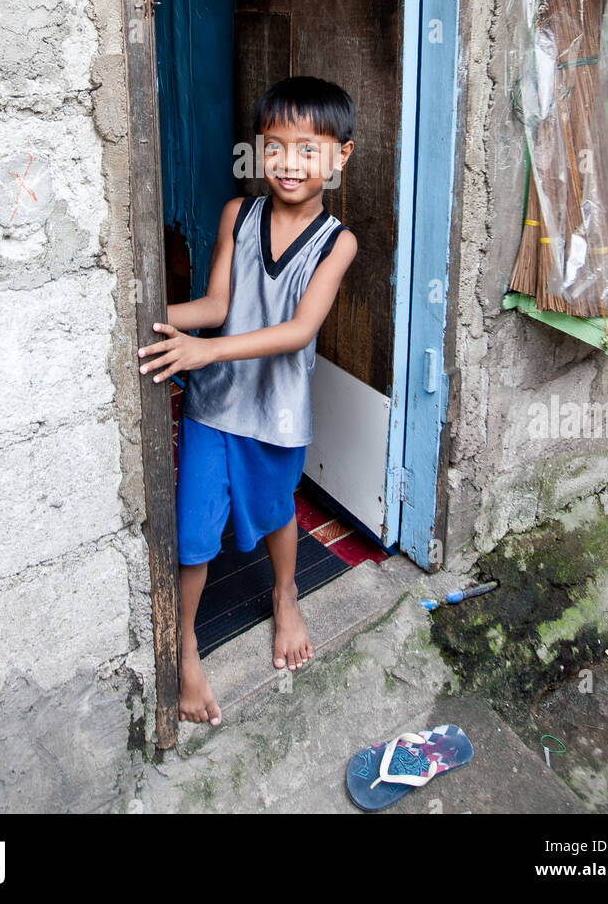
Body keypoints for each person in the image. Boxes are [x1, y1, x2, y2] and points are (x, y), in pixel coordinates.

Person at [138, 76, 358, 727]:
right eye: (277, 146)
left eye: (309, 149)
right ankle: (184, 651)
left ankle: (286, 594)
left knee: (274, 509)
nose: (291, 162)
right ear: (259, 150)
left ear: (340, 157)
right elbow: (216, 306)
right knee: (194, 536)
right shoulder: (240, 214)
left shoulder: (336, 242)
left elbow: (298, 331)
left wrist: (205, 351)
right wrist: (147, 318)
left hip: (277, 414)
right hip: (212, 405)